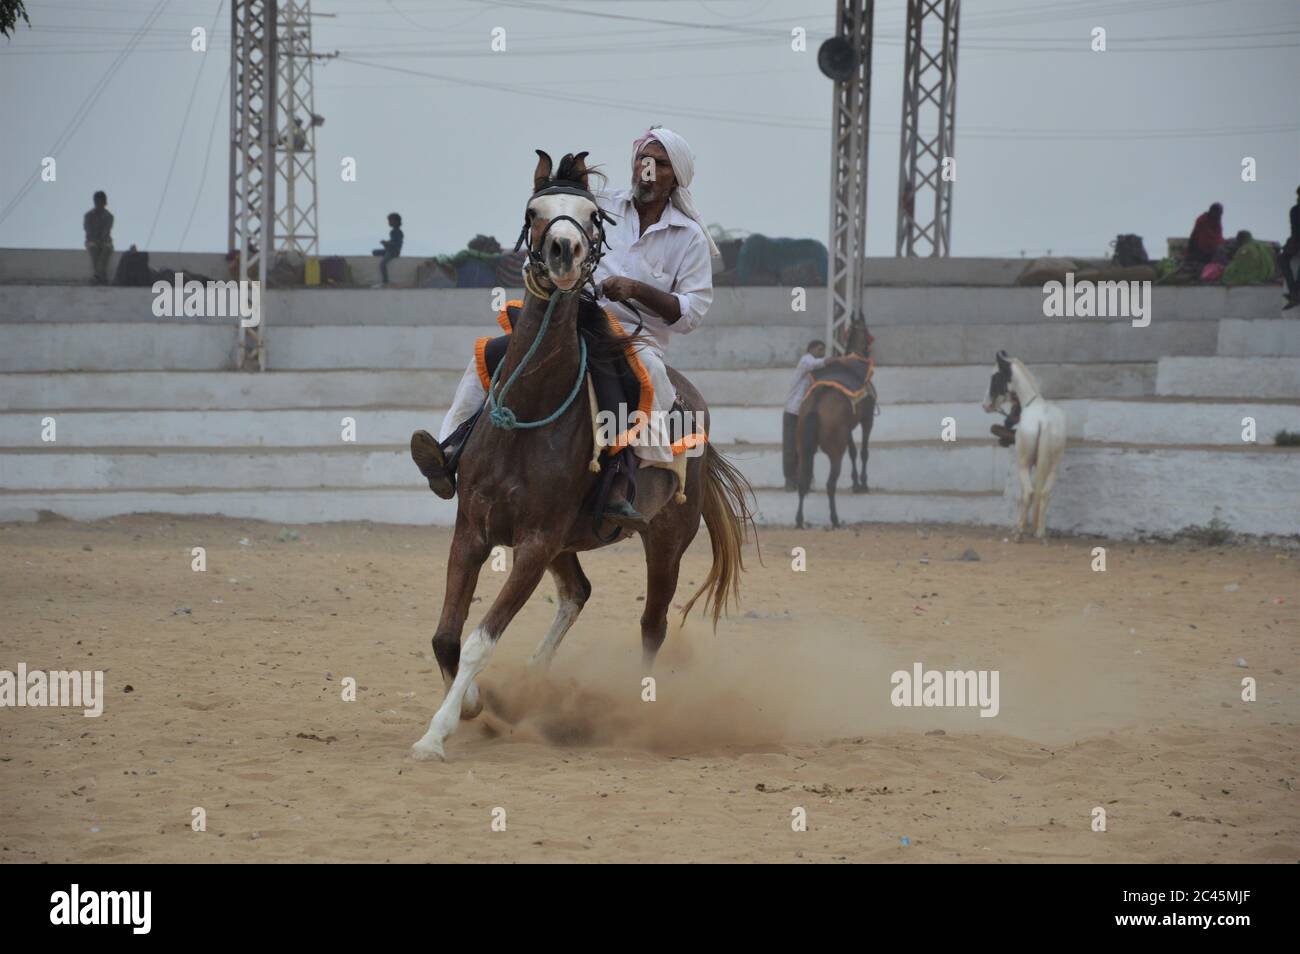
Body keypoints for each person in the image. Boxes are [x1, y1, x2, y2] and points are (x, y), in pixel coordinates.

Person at [410, 127, 717, 531]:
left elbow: (692, 313)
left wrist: (637, 290)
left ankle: (629, 481)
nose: (648, 170)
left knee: (651, 375)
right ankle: (448, 451)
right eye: (644, 160)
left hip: (631, 338)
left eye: (659, 164)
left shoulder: (689, 237)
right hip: (569, 317)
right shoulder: (600, 206)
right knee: (487, 356)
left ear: (675, 176)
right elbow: (559, 230)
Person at [781, 340, 857, 491]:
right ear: (811, 349)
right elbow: (819, 363)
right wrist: (839, 360)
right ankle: (790, 481)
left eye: (823, 350)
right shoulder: (806, 360)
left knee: (803, 448)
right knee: (791, 448)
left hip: (803, 412)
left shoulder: (814, 369)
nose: (822, 353)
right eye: (820, 349)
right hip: (792, 411)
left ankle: (803, 480)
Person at [83, 191, 114, 284]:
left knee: (107, 248)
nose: (99, 204)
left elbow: (106, 231)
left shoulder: (109, 216)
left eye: (101, 202)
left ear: (104, 203)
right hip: (92, 240)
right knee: (93, 248)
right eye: (97, 201)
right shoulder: (88, 216)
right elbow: (88, 230)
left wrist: (101, 240)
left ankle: (99, 275)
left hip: (105, 240)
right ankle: (100, 275)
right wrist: (94, 240)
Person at [1186, 202, 1224, 267]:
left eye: (1220, 214)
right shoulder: (1202, 220)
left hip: (1213, 251)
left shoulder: (1217, 222)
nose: (1219, 215)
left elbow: (1218, 237)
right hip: (1201, 251)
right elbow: (1202, 239)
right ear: (1212, 211)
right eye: (1218, 213)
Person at [371, 212, 403, 287]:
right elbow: (392, 242)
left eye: (390, 220)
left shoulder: (397, 232)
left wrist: (386, 243)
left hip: (393, 252)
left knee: (382, 264)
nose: (389, 222)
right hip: (389, 250)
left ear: (396, 222)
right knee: (374, 252)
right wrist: (386, 243)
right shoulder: (393, 232)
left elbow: (396, 244)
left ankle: (385, 281)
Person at [1281, 186, 1299, 310]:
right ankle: (1295, 292)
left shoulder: (1295, 210)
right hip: (1296, 241)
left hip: (1295, 241)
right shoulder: (1295, 210)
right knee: (1283, 260)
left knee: (1283, 261)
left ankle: (1295, 292)